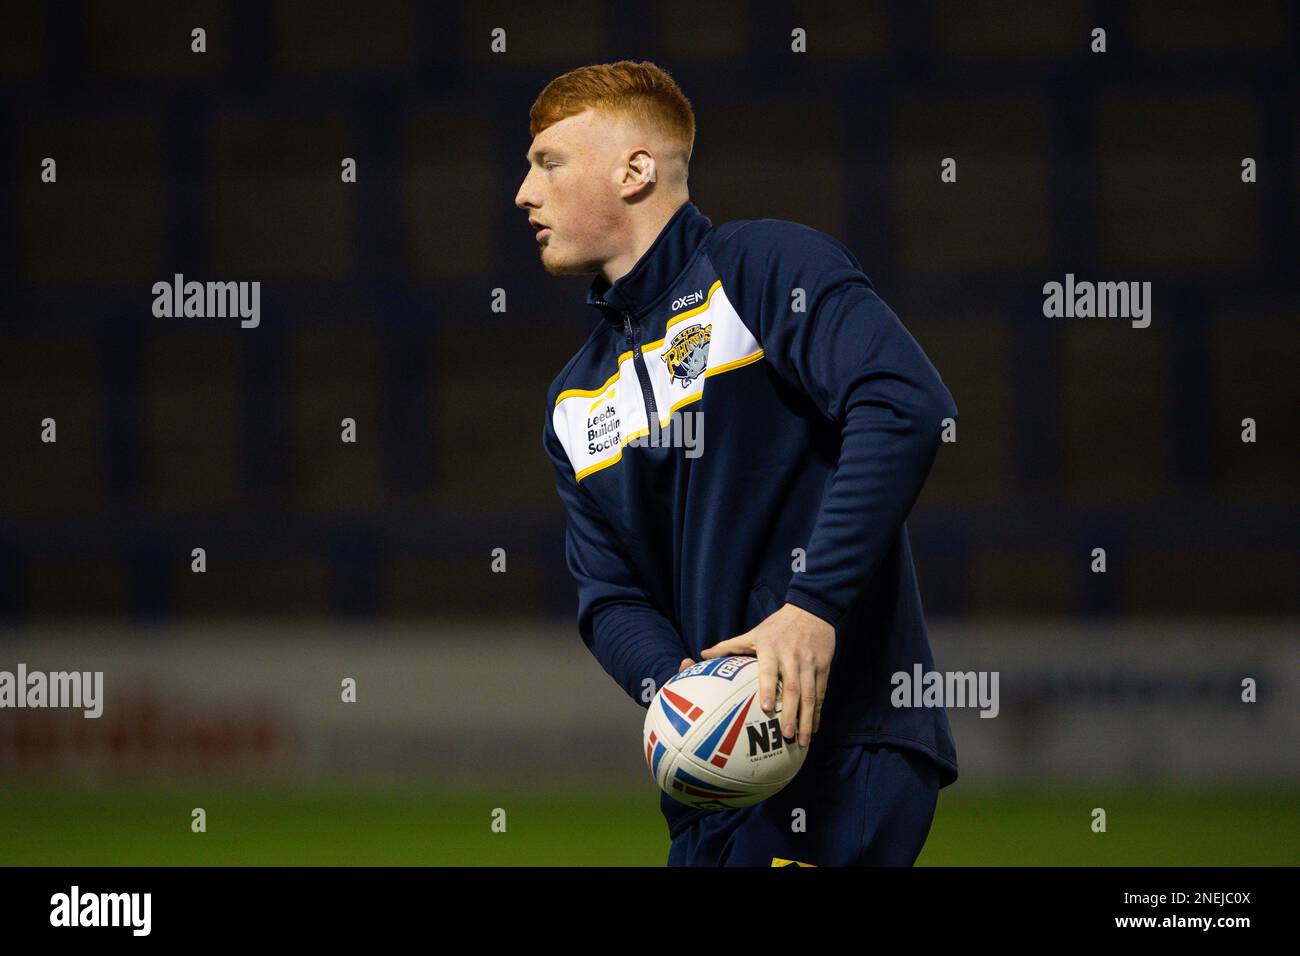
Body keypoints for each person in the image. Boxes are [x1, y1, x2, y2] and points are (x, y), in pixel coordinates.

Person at [518, 60, 958, 866]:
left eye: (547, 162)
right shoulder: (572, 400)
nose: (523, 192)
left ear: (636, 170)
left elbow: (903, 404)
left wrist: (812, 606)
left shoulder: (764, 270)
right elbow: (609, 596)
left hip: (838, 743)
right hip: (712, 781)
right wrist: (684, 694)